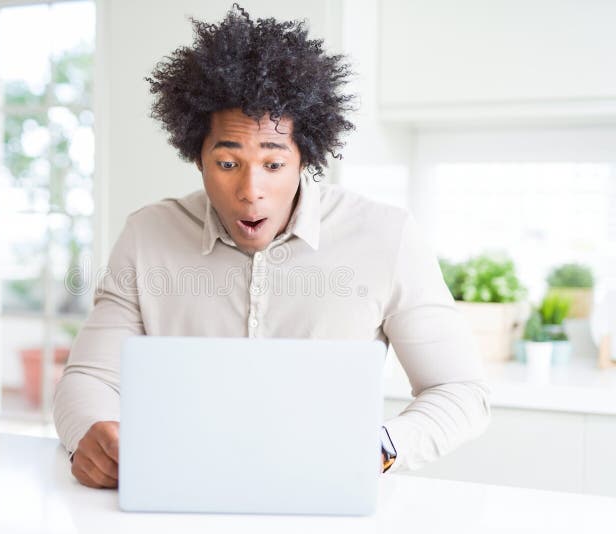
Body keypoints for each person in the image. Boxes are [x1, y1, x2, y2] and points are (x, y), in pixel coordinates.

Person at [53, 4, 490, 489]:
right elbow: (89, 379)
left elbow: (459, 390)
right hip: (179, 492)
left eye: (274, 164)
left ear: (305, 157)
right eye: (227, 163)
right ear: (197, 156)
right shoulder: (147, 235)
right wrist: (91, 434)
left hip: (326, 496)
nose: (250, 190)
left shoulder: (386, 236)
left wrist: (379, 448)